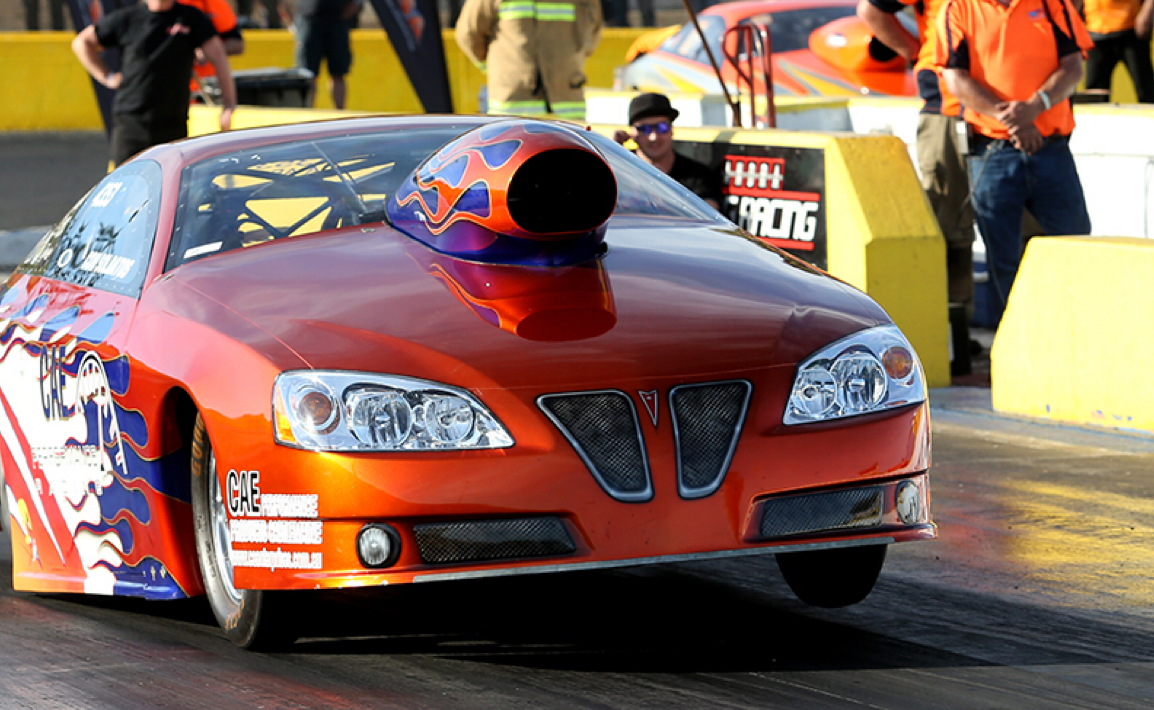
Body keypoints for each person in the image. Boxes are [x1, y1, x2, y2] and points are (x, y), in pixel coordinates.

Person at [934, 0, 1094, 326]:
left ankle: (1079, 330)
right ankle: (1017, 337)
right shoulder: (958, 8)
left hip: (1050, 149)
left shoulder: (1053, 4)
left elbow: (1074, 66)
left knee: (1077, 248)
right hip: (992, 151)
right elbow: (956, 81)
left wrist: (1034, 108)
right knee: (1002, 261)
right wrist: (1016, 121)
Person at [857, 0, 976, 326]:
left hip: (1008, 107)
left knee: (1018, 223)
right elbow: (871, 10)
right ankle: (955, 327)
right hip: (947, 106)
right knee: (950, 222)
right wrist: (917, 50)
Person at [72, 0, 237, 167]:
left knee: (171, 181)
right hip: (131, 120)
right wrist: (107, 76)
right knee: (129, 180)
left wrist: (229, 104)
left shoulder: (190, 17)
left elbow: (219, 57)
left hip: (173, 121)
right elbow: (81, 43)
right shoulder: (128, 18)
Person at [456, 0, 602, 121]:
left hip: (568, 107)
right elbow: (467, 33)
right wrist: (492, 68)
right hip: (515, 106)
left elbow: (593, 31)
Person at [613, 92, 723, 209]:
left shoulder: (698, 175)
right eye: (644, 129)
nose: (653, 137)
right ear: (632, 133)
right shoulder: (618, 168)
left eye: (662, 128)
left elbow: (710, 215)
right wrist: (609, 155)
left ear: (672, 130)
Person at [293, 0, 362, 109]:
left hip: (336, 19)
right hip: (309, 19)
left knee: (338, 72)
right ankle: (307, 113)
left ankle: (340, 113)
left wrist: (354, 6)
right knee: (308, 74)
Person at [1083, 0, 1154, 102]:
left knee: (1146, 91)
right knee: (1094, 95)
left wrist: (1148, 12)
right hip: (1095, 28)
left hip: (1131, 27)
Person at [183, 0, 246, 101]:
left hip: (206, 92)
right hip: (169, 91)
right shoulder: (159, 7)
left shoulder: (212, 4)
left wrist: (206, 50)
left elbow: (237, 43)